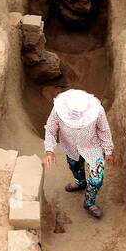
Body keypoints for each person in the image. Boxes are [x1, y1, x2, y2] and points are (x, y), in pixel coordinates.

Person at [42, 88, 115, 218]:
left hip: (93, 148)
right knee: (75, 166)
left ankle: (89, 202)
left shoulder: (97, 111)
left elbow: (104, 130)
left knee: (97, 178)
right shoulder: (58, 110)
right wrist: (49, 150)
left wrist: (108, 151)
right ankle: (80, 182)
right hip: (70, 147)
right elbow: (51, 130)